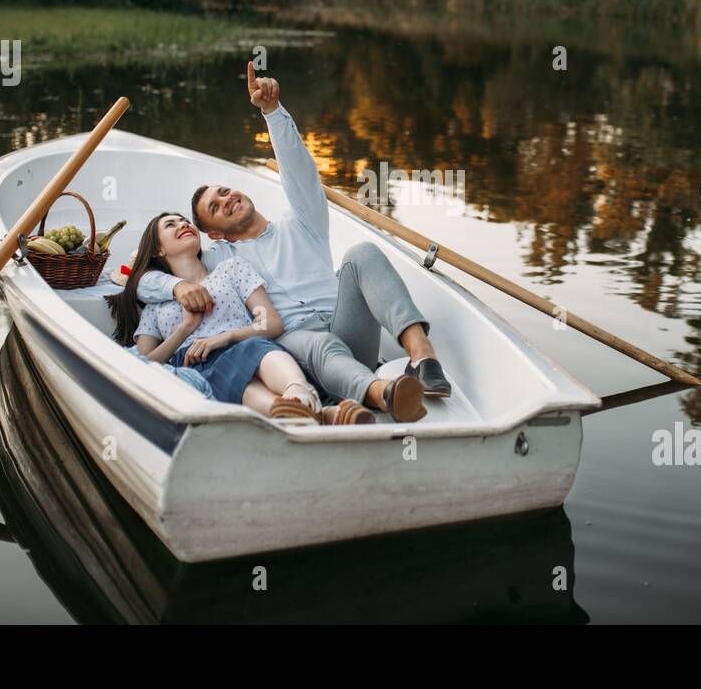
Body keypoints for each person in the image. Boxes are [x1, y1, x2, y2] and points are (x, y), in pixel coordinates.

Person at [137, 62, 453, 423]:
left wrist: (271, 111)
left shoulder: (302, 221)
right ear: (215, 233)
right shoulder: (217, 259)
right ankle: (383, 395)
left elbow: (297, 169)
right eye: (216, 206)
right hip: (295, 345)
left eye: (225, 191)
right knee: (317, 343)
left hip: (349, 331)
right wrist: (176, 286)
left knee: (362, 252)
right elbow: (139, 273)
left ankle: (424, 360)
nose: (226, 199)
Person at [108, 212, 376, 427]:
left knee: (255, 350)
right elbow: (145, 363)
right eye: (171, 224)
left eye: (185, 220)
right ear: (158, 249)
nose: (183, 224)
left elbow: (271, 324)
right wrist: (184, 329)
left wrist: (227, 336)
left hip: (247, 345)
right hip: (196, 365)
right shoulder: (157, 304)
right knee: (238, 383)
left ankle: (300, 393)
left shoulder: (230, 269)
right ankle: (323, 415)